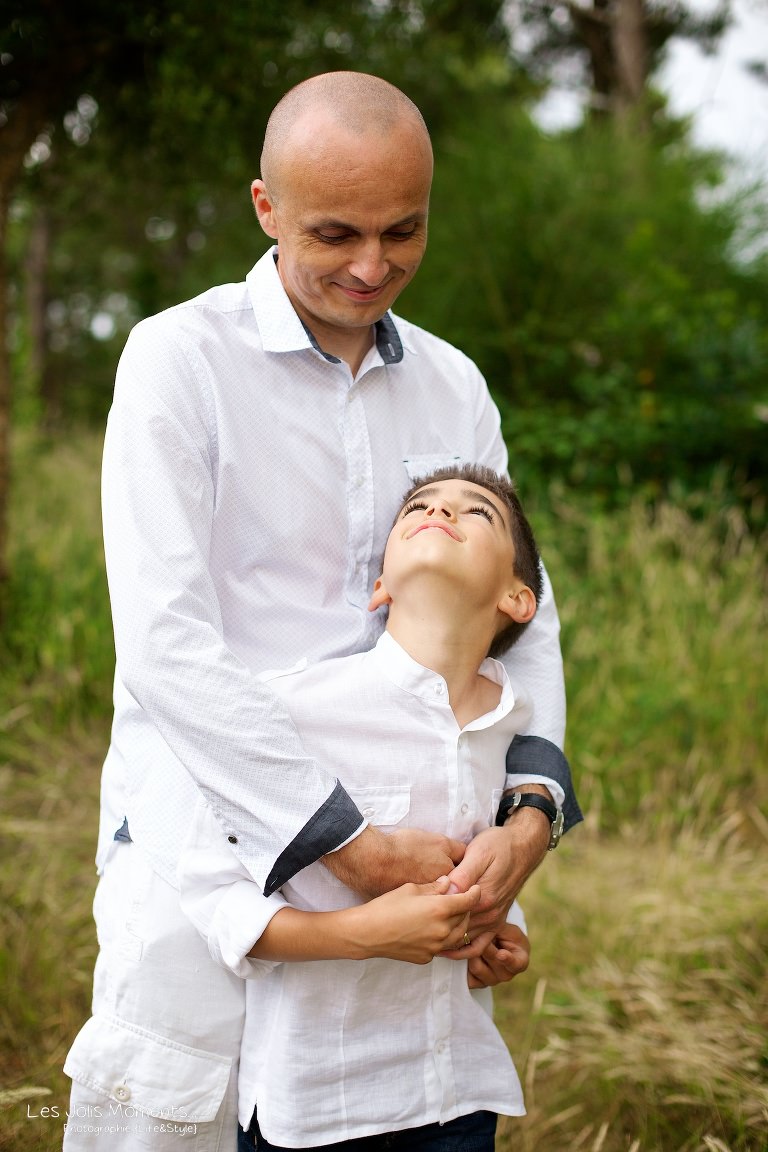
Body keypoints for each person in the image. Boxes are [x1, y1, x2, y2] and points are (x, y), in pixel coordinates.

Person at [63, 71, 579, 1151]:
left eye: (405, 232)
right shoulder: (178, 360)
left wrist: (529, 814)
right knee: (177, 1124)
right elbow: (165, 643)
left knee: (389, 1123)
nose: (371, 266)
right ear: (265, 208)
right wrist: (346, 843)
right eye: (335, 232)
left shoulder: (455, 387)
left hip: (414, 839)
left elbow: (524, 619)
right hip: (209, 841)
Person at [179, 464, 577, 1152]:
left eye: (476, 512)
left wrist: (499, 925)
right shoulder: (290, 711)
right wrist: (359, 932)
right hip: (317, 1109)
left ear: (519, 598)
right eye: (419, 506)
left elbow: (479, 856)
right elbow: (213, 897)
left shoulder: (512, 732)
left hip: (456, 1095)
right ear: (380, 587)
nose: (440, 512)